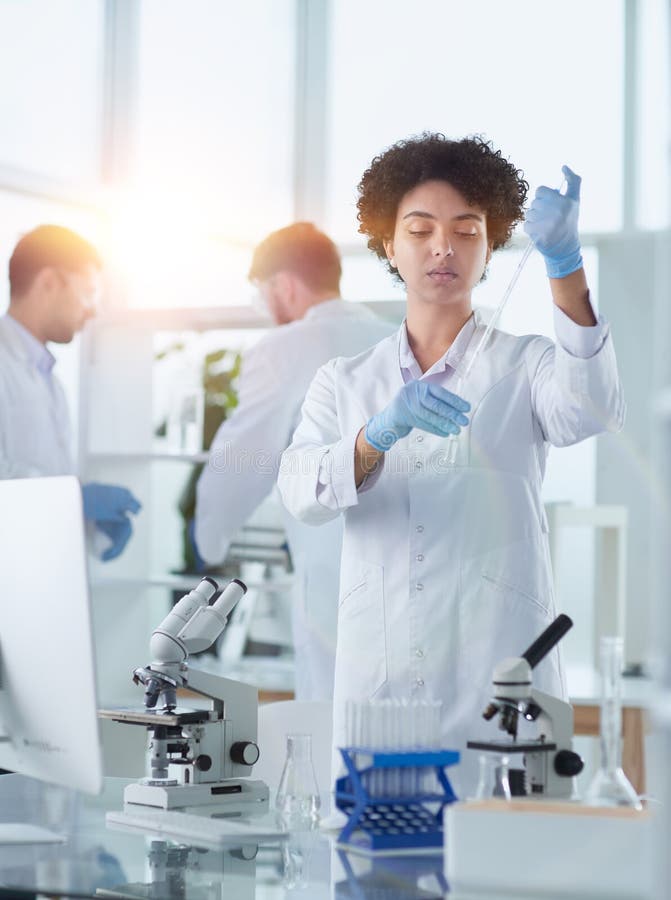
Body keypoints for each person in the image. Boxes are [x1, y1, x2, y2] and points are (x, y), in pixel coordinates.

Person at [277, 134, 625, 792]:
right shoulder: (343, 381)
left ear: (490, 247)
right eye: (420, 230)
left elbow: (592, 409)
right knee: (375, 877)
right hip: (379, 702)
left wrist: (563, 266)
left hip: (495, 689)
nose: (444, 247)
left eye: (467, 230)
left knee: (505, 879)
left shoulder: (522, 366)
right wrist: (373, 436)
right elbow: (300, 490)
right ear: (388, 245)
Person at [194, 222, 395, 700]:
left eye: (263, 292)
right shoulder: (395, 336)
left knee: (331, 717)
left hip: (328, 568)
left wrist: (209, 534)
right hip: (406, 562)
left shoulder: (284, 347)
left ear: (283, 284)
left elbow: (244, 458)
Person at [0, 224, 141, 561]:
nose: (93, 310)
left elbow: (43, 477)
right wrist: (76, 497)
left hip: (37, 568)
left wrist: (87, 518)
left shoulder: (50, 382)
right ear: (49, 282)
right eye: (88, 292)